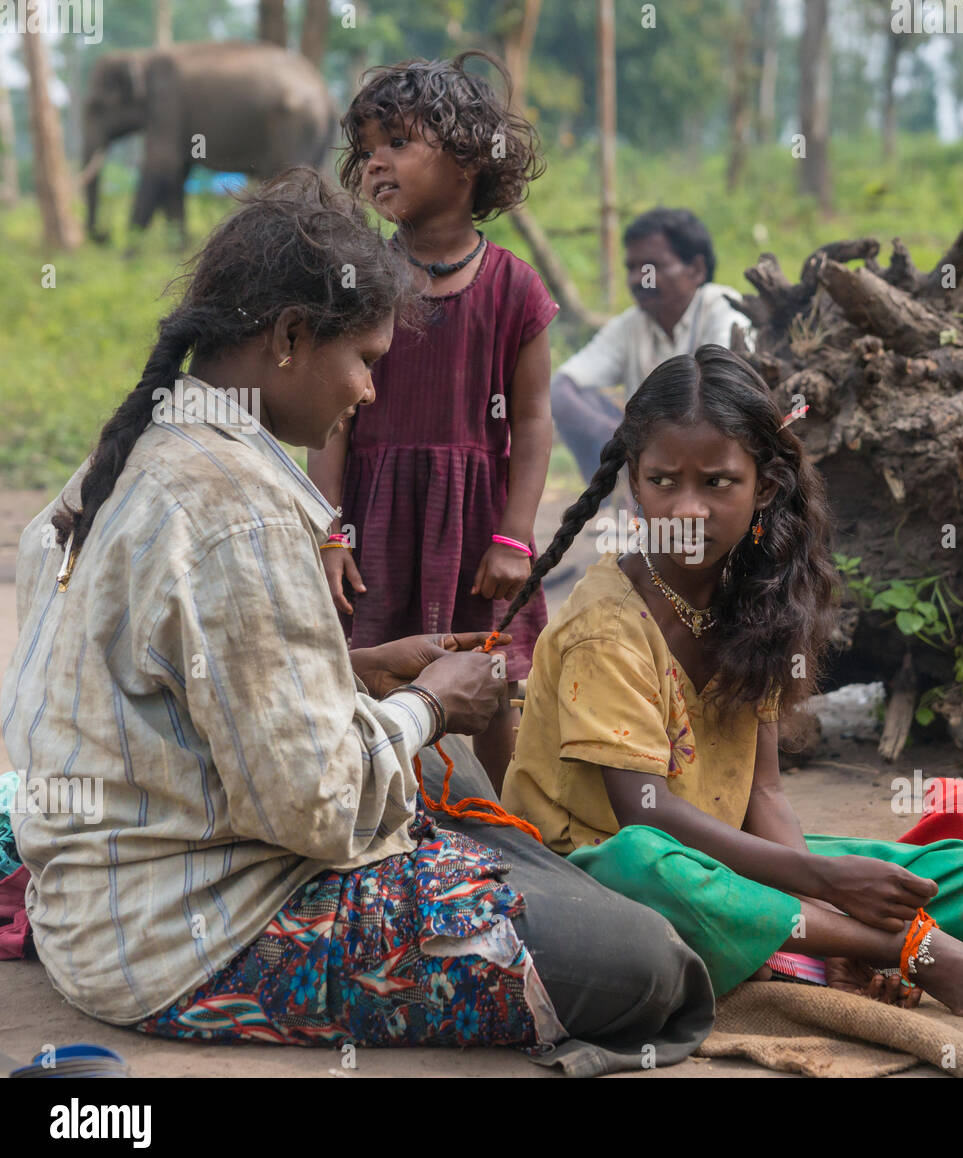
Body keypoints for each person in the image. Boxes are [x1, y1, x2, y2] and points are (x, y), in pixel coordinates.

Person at [0, 172, 713, 1075]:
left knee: (496, 833)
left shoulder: (136, 453)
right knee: (645, 967)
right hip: (188, 941)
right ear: (291, 338)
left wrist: (363, 668)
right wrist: (426, 705)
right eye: (367, 361)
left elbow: (178, 691)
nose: (371, 393)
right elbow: (319, 809)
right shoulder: (241, 513)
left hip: (96, 911)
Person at [497, 345, 963, 1021]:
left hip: (729, 868)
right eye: (664, 481)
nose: (688, 508)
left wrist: (828, 894)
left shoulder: (756, 597)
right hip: (592, 876)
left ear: (764, 486)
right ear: (633, 484)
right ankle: (906, 953)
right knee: (644, 862)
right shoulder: (605, 625)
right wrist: (831, 886)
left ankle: (807, 945)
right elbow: (642, 816)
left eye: (718, 482)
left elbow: (763, 790)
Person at [310, 54, 556, 793]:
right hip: (376, 516)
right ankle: (385, 815)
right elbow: (331, 420)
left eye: (398, 143)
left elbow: (536, 419)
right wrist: (330, 531)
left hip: (478, 524)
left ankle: (522, 832)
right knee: (371, 665)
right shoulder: (359, 278)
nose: (376, 164)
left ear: (467, 160)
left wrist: (516, 536)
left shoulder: (515, 286)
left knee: (489, 676)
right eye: (366, 150)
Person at [551, 208, 754, 484]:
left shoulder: (722, 310)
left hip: (711, 466)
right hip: (648, 462)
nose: (637, 279)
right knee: (574, 398)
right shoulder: (632, 324)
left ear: (695, 269)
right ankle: (619, 497)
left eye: (649, 267)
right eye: (631, 268)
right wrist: (618, 437)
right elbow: (562, 388)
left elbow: (721, 398)